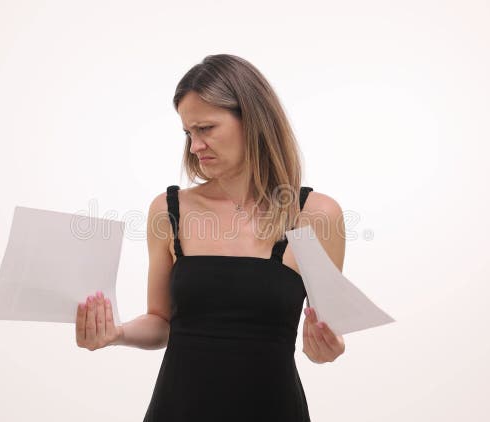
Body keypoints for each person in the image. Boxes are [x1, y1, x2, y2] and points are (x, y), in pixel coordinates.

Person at [75, 54, 347, 421]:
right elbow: (160, 321)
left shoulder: (316, 216)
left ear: (251, 120)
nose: (194, 146)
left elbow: (322, 342)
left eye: (205, 128)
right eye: (188, 133)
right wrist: (115, 334)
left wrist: (326, 349)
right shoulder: (168, 210)